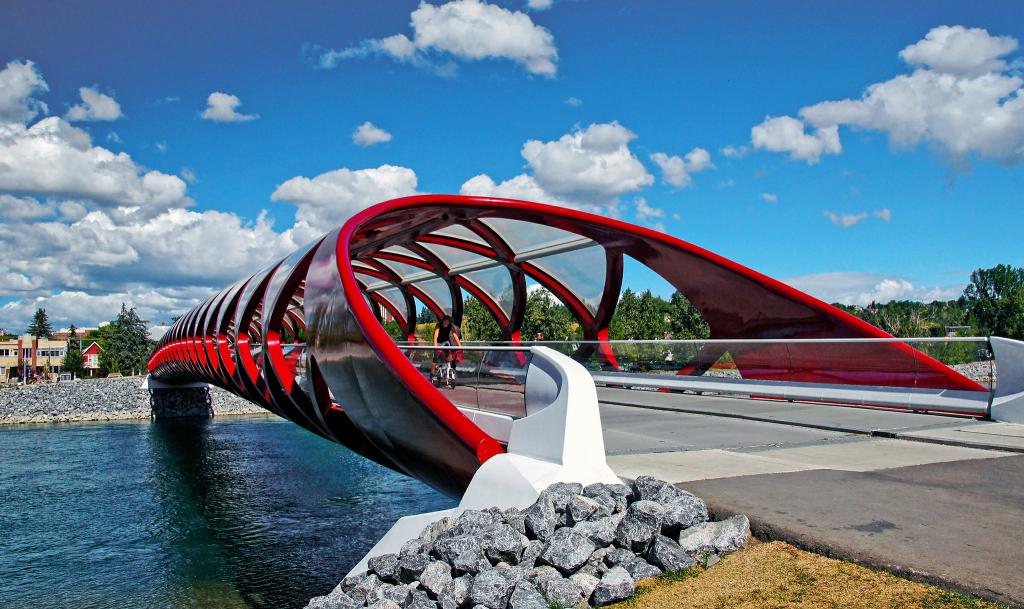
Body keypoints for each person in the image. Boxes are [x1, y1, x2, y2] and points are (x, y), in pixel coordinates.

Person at [431, 315, 462, 382]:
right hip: (439, 343)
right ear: (443, 321)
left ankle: (448, 366)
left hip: (445, 342)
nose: (446, 323)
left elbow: (455, 335)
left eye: (448, 322)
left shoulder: (450, 326)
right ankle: (432, 373)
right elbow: (435, 336)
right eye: (445, 322)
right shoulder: (438, 325)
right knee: (435, 357)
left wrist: (460, 346)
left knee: (449, 349)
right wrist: (435, 346)